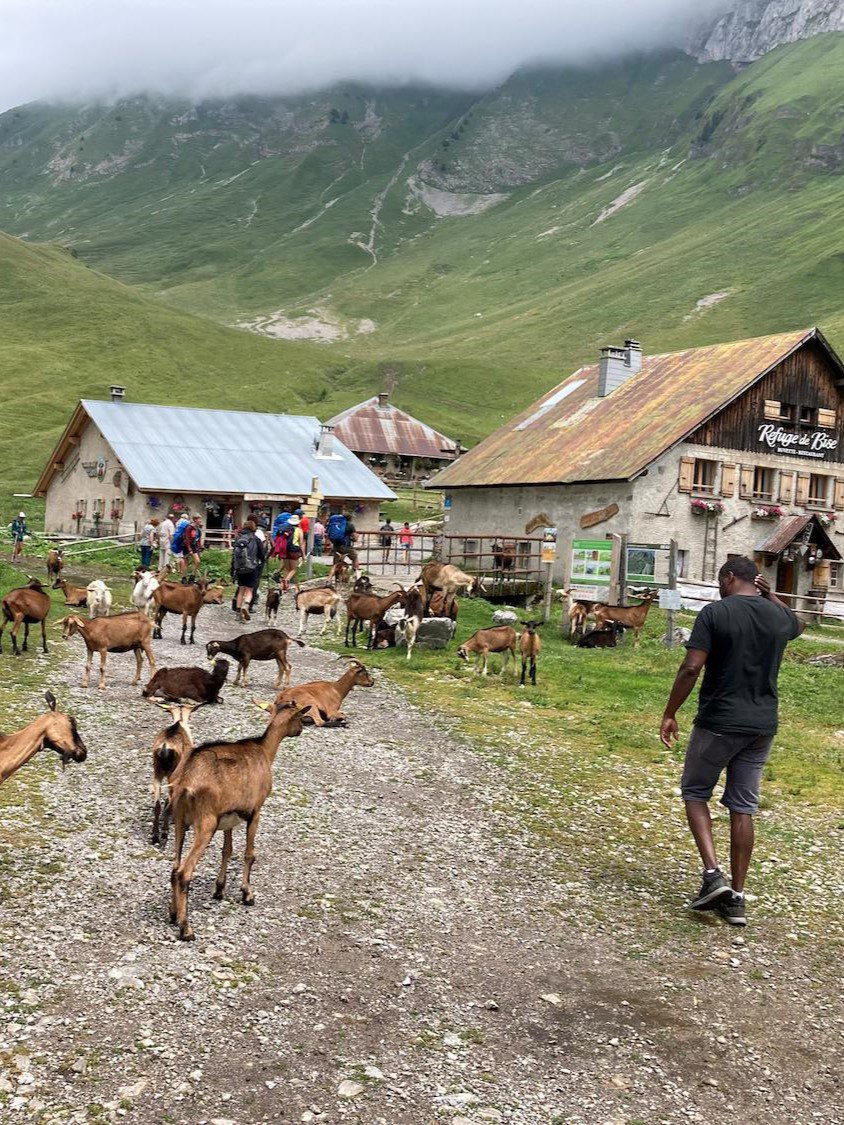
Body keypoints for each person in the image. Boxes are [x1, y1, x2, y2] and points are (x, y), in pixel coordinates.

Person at [660, 556, 804, 927]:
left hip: (719, 722)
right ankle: (736, 899)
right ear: (756, 581)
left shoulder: (715, 613)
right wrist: (772, 597)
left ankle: (713, 876)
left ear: (728, 578)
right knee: (743, 807)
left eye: (719, 582)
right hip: (761, 727)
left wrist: (670, 711)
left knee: (695, 792)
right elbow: (799, 624)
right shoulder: (777, 616)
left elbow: (692, 667)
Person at [231, 519, 263, 621]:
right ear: (253, 528)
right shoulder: (256, 539)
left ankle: (238, 613)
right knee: (249, 590)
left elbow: (233, 555)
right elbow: (261, 555)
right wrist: (262, 562)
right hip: (251, 567)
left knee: (241, 590)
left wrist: (232, 570)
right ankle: (246, 605)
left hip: (239, 568)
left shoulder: (238, 538)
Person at [280, 515, 304, 591]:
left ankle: (284, 587)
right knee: (294, 569)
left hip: (285, 550)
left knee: (287, 569)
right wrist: (303, 555)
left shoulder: (286, 529)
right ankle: (286, 580)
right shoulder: (299, 530)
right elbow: (301, 543)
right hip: (294, 550)